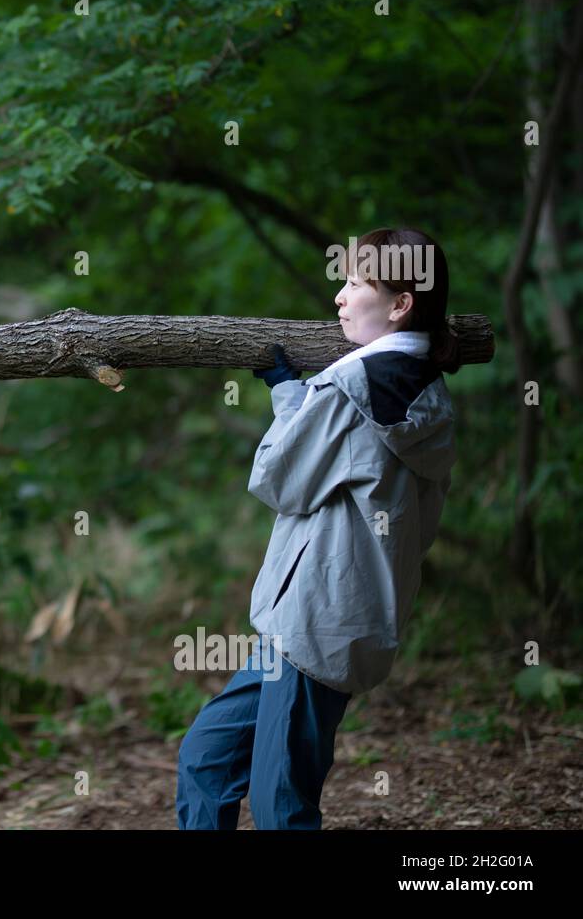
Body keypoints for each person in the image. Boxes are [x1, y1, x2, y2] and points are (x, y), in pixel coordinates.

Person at [176, 227, 460, 829]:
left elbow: (278, 479)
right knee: (207, 757)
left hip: (317, 621)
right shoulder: (429, 391)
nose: (339, 296)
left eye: (355, 282)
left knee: (283, 805)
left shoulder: (350, 388)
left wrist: (287, 395)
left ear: (399, 305)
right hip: (308, 619)